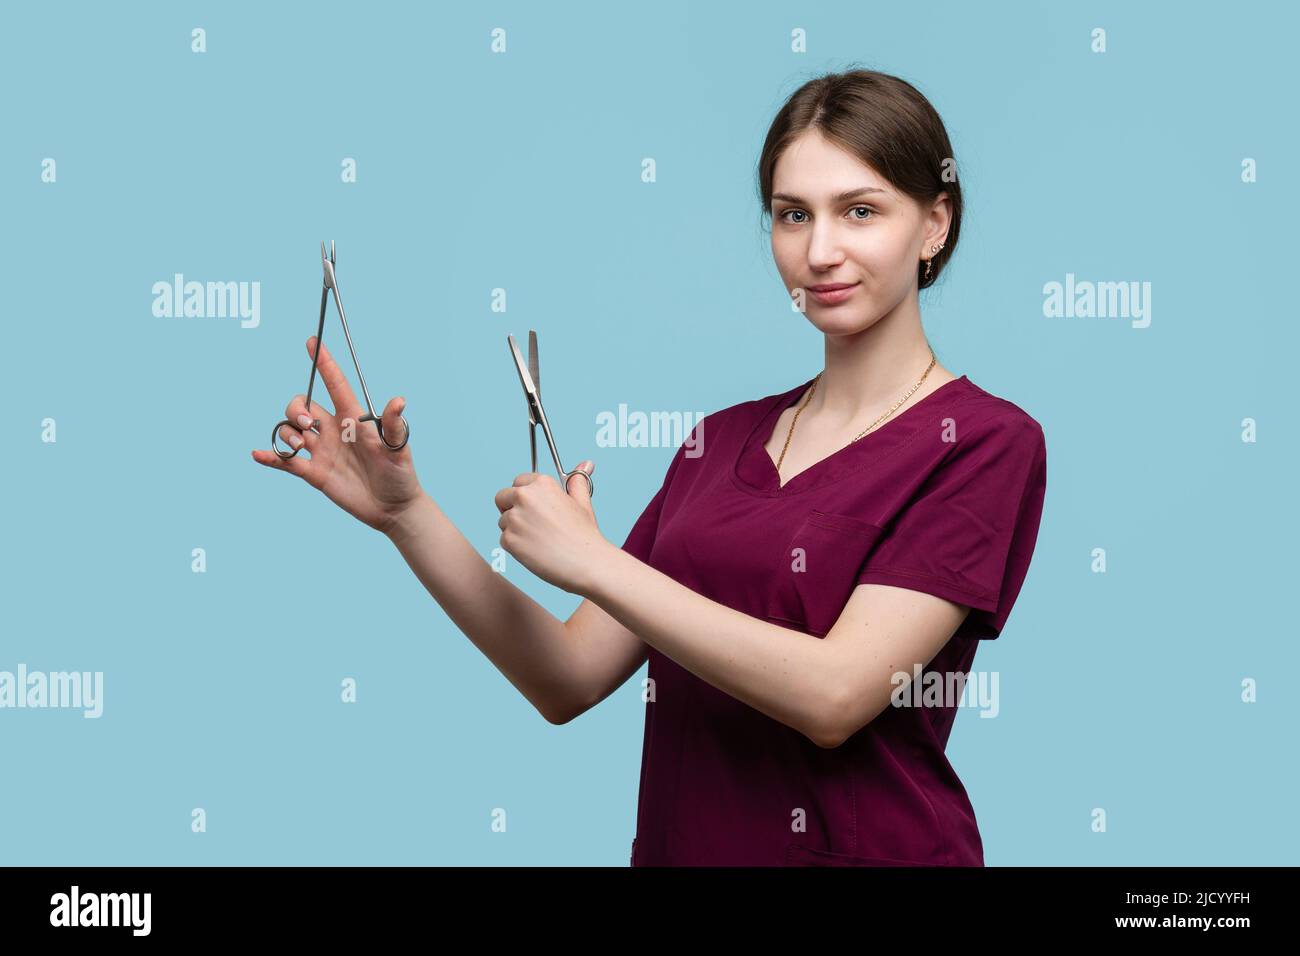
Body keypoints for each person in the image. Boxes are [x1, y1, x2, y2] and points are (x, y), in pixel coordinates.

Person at [252, 68, 1048, 867]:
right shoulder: (719, 441)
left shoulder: (982, 443)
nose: (819, 251)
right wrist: (407, 515)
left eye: (861, 211)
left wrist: (598, 564)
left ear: (934, 223)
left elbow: (836, 695)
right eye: (791, 215)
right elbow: (566, 676)